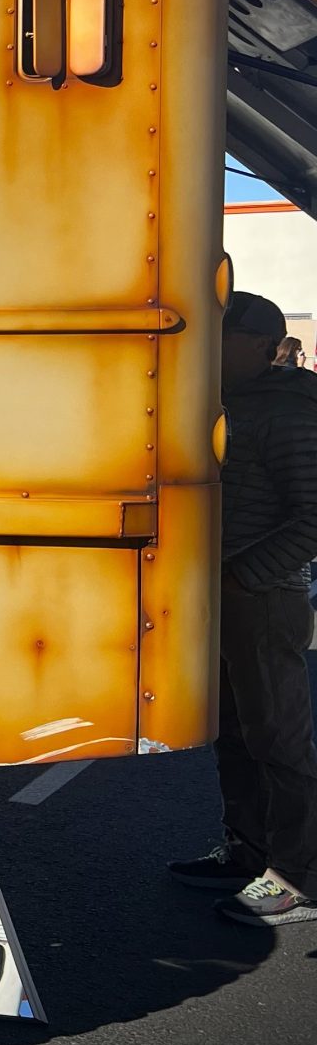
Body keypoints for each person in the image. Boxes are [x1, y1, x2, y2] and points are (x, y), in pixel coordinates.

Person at [167, 291, 317, 926]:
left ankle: (297, 877)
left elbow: (313, 515)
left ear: (260, 345)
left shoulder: (288, 412)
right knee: (235, 732)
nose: (208, 351)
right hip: (225, 596)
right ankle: (247, 852)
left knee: (280, 738)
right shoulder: (231, 405)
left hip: (263, 598)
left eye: (222, 339)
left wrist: (243, 575)